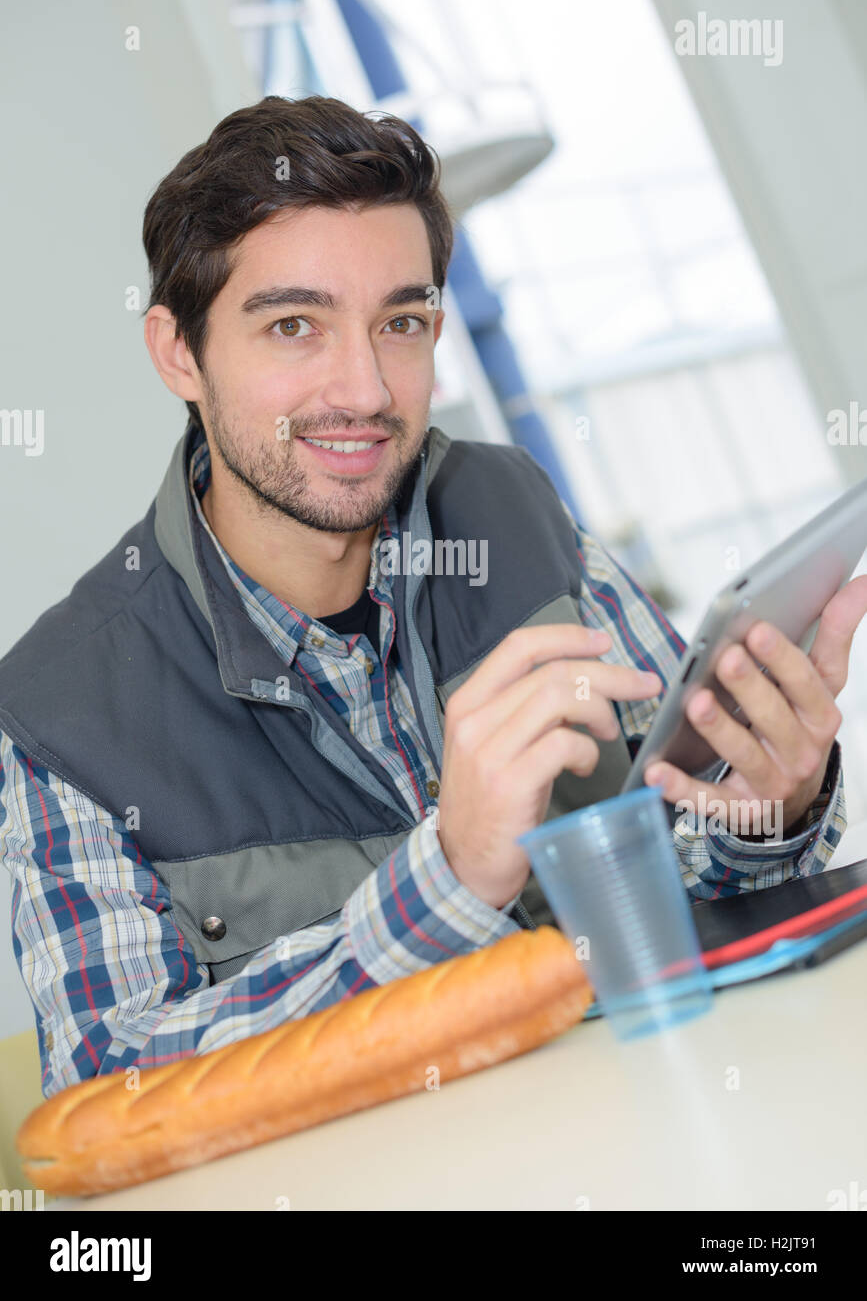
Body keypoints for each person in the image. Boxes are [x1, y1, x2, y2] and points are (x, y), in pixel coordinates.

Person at [0, 96, 862, 1100]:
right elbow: (109, 1088)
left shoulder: (511, 514)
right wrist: (447, 878)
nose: (366, 388)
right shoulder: (60, 713)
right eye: (293, 325)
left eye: (401, 322)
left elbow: (683, 885)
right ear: (179, 353)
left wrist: (770, 802)